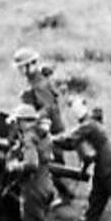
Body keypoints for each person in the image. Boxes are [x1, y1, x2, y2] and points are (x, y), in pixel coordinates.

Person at [12, 46, 74, 208]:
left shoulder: (38, 84)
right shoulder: (35, 80)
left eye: (24, 67)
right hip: (45, 126)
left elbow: (48, 108)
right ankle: (56, 193)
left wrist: (31, 117)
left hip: (50, 129)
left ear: (31, 65)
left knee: (51, 164)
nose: (22, 71)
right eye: (20, 68)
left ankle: (64, 194)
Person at [3, 103, 57, 221]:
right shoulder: (43, 134)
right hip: (46, 183)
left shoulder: (29, 137)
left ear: (22, 122)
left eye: (17, 122)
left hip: (34, 187)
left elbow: (31, 164)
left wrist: (13, 167)